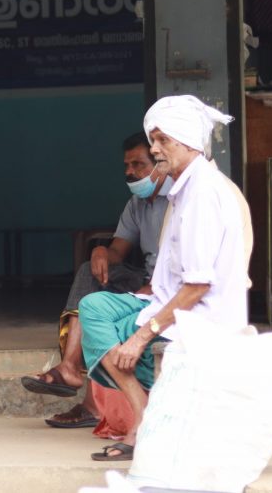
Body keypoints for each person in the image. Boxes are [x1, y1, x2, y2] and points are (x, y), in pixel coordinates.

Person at [79, 95, 250, 462]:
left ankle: (156, 424)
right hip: (166, 305)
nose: (155, 148)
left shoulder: (202, 194)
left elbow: (198, 285)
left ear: (187, 141)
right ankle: (144, 414)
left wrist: (141, 337)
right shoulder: (184, 189)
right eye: (153, 140)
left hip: (197, 320)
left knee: (119, 343)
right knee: (93, 310)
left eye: (162, 140)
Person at [20, 133, 170, 430]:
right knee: (91, 270)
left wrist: (161, 286)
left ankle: (82, 388)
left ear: (158, 165)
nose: (130, 172)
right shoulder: (137, 203)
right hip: (145, 278)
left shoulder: (180, 201)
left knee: (100, 313)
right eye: (127, 165)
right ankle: (70, 366)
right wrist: (102, 251)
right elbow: (118, 250)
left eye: (138, 164)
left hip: (172, 285)